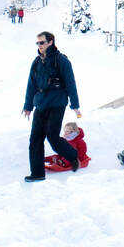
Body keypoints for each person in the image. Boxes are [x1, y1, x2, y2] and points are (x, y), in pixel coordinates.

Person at [22, 32, 81, 182]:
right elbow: (31, 85)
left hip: (56, 104)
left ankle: (73, 155)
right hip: (40, 104)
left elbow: (70, 83)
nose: (39, 46)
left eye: (42, 42)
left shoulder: (61, 61)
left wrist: (75, 105)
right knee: (35, 139)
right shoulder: (36, 62)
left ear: (50, 42)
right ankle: (37, 173)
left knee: (52, 137)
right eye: (38, 43)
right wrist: (28, 105)